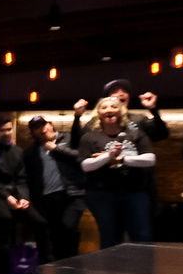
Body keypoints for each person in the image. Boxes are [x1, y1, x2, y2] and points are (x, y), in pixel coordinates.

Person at [76, 97, 156, 247]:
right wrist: (108, 157)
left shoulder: (135, 133)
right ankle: (112, 270)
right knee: (110, 238)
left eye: (113, 106)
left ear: (120, 111)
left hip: (134, 192)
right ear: (99, 113)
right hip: (102, 194)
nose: (109, 110)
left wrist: (121, 159)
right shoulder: (89, 137)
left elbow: (151, 159)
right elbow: (85, 165)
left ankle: (143, 269)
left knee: (142, 236)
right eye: (104, 107)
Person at [0, 118, 50, 256]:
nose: (7, 133)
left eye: (9, 129)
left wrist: (24, 198)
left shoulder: (18, 151)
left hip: (15, 194)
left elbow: (22, 178)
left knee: (40, 222)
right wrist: (7, 197)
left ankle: (47, 261)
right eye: (2, 130)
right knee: (5, 218)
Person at [25, 117, 86, 262]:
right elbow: (30, 178)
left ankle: (71, 262)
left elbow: (81, 157)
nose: (43, 129)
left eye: (44, 125)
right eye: (37, 127)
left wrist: (57, 149)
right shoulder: (31, 153)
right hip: (47, 197)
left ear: (51, 125)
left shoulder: (70, 138)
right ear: (33, 133)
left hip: (72, 194)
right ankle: (58, 267)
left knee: (69, 228)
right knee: (53, 233)